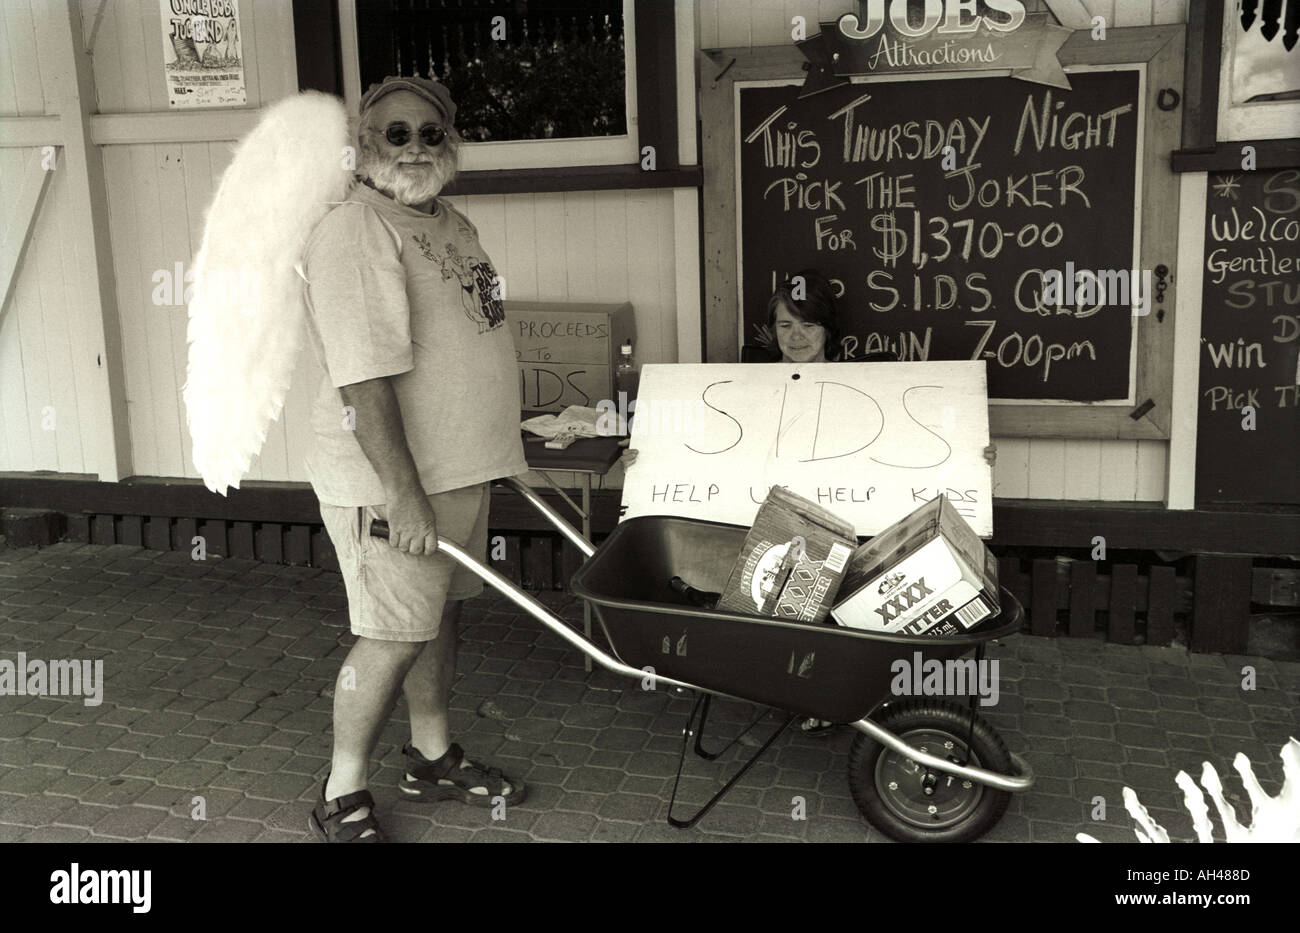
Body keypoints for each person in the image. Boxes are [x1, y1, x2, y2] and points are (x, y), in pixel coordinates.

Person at [301, 75, 528, 842]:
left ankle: (430, 753)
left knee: (438, 618)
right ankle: (341, 789)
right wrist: (401, 494)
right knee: (393, 631)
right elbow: (362, 378)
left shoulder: (447, 220)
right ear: (365, 147)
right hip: (394, 484)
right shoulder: (356, 231)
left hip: (457, 472)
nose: (415, 148)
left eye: (430, 133)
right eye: (396, 134)